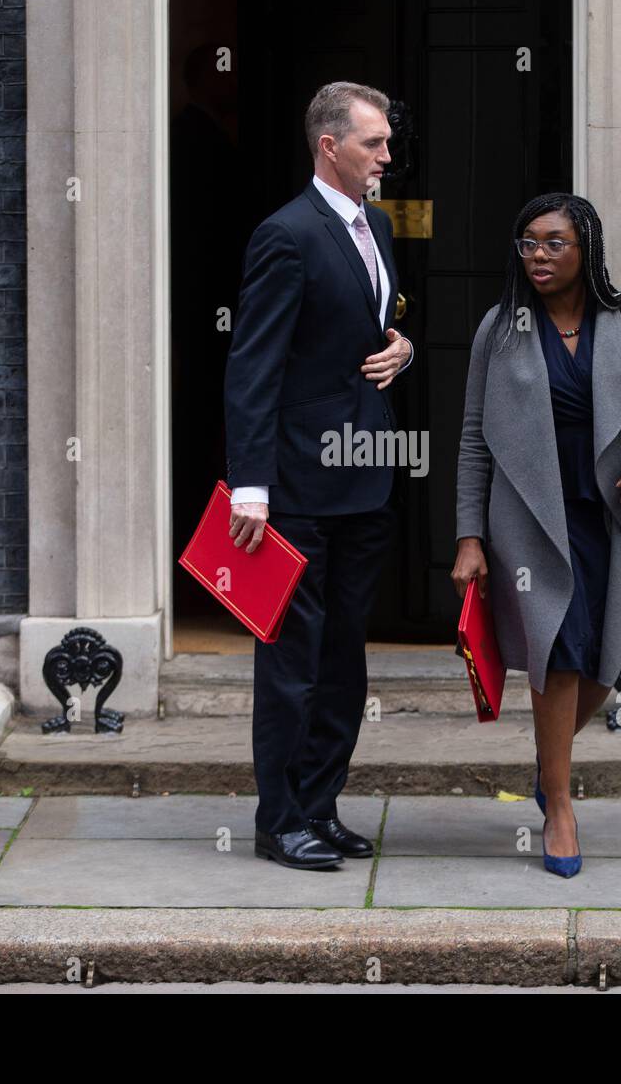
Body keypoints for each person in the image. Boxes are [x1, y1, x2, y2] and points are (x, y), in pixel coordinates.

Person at [451, 193, 621, 878]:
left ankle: (546, 763)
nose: (539, 256)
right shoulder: (500, 329)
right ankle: (559, 804)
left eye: (554, 242)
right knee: (557, 652)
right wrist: (469, 537)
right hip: (529, 519)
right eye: (528, 243)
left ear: (586, 247)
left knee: (606, 661)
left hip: (607, 512)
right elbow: (473, 440)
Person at [223, 82, 414, 871]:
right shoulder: (285, 234)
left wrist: (400, 344)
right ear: (329, 146)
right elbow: (253, 366)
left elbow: (369, 322)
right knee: (292, 661)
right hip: (296, 488)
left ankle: (322, 805)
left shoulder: (378, 224)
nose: (387, 155)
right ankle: (280, 818)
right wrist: (251, 487)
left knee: (344, 659)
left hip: (364, 477)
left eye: (387, 141)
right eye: (374, 142)